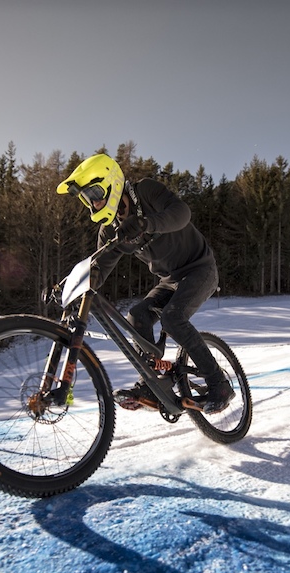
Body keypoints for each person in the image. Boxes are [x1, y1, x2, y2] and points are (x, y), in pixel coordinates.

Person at [57, 153, 235, 414]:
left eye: (96, 193)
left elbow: (182, 213)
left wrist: (147, 223)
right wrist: (68, 289)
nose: (94, 202)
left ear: (113, 182)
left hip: (201, 270)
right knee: (136, 315)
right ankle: (151, 382)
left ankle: (219, 384)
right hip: (170, 280)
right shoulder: (109, 230)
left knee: (173, 319)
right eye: (88, 198)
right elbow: (98, 268)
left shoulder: (145, 191)